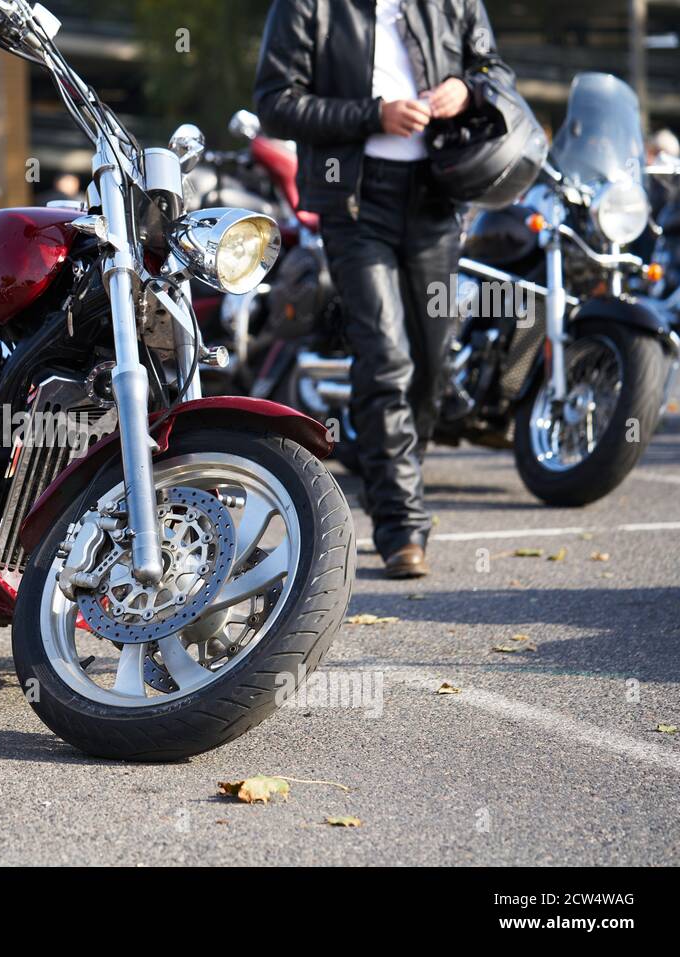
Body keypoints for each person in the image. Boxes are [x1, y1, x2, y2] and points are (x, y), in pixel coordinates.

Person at [256, 0, 513, 578]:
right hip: (353, 199)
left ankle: (396, 487)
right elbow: (275, 102)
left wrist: (466, 91)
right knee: (386, 355)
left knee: (430, 360)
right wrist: (374, 115)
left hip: (436, 195)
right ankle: (401, 525)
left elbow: (495, 71)